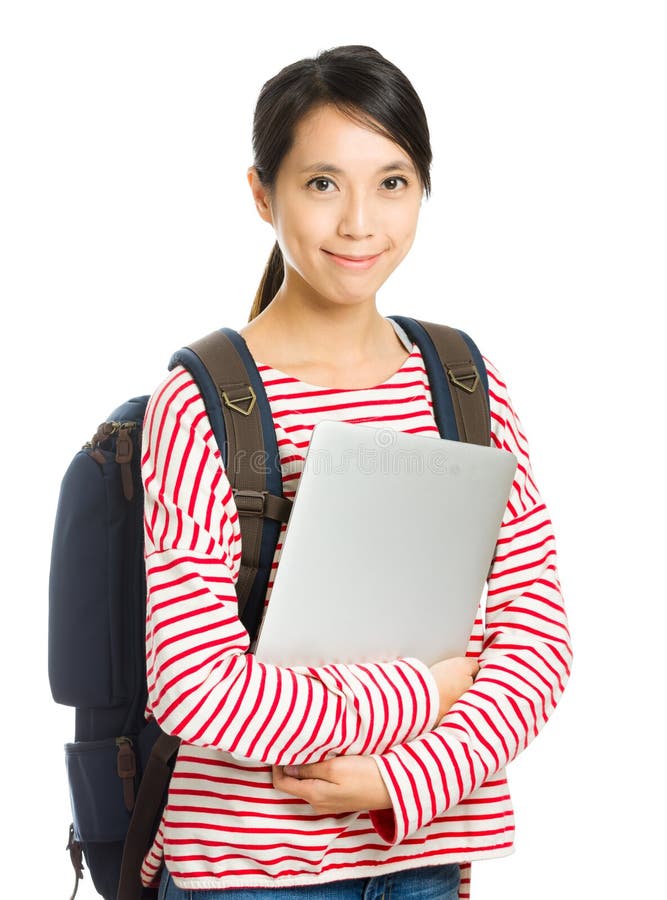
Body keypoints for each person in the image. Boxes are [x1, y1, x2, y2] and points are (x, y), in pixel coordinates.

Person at [140, 44, 572, 900]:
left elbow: (538, 639)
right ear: (262, 193)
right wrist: (419, 692)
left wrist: (403, 780)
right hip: (248, 873)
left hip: (423, 856)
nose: (359, 224)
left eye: (392, 183)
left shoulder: (462, 382)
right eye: (322, 183)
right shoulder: (206, 403)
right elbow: (193, 688)